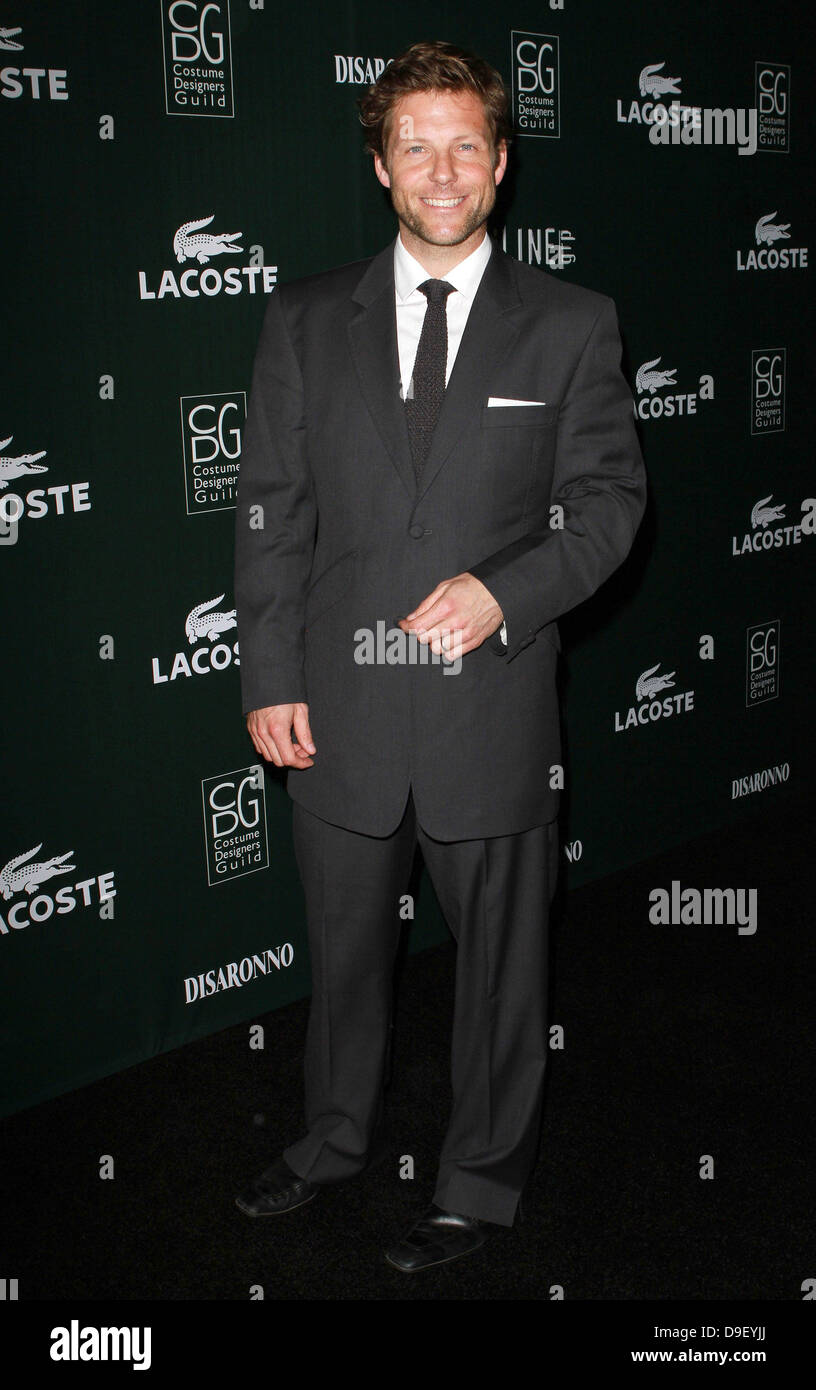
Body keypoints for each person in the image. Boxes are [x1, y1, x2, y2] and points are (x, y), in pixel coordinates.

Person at [233, 39, 646, 1272]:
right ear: (381, 164)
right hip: (342, 709)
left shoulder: (573, 325)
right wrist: (270, 677)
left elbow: (611, 505)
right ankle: (333, 1140)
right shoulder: (306, 320)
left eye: (466, 142)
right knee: (345, 959)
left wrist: (504, 593)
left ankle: (479, 1180)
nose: (442, 167)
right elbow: (270, 508)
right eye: (415, 143)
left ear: (502, 162)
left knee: (503, 974)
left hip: (494, 707)